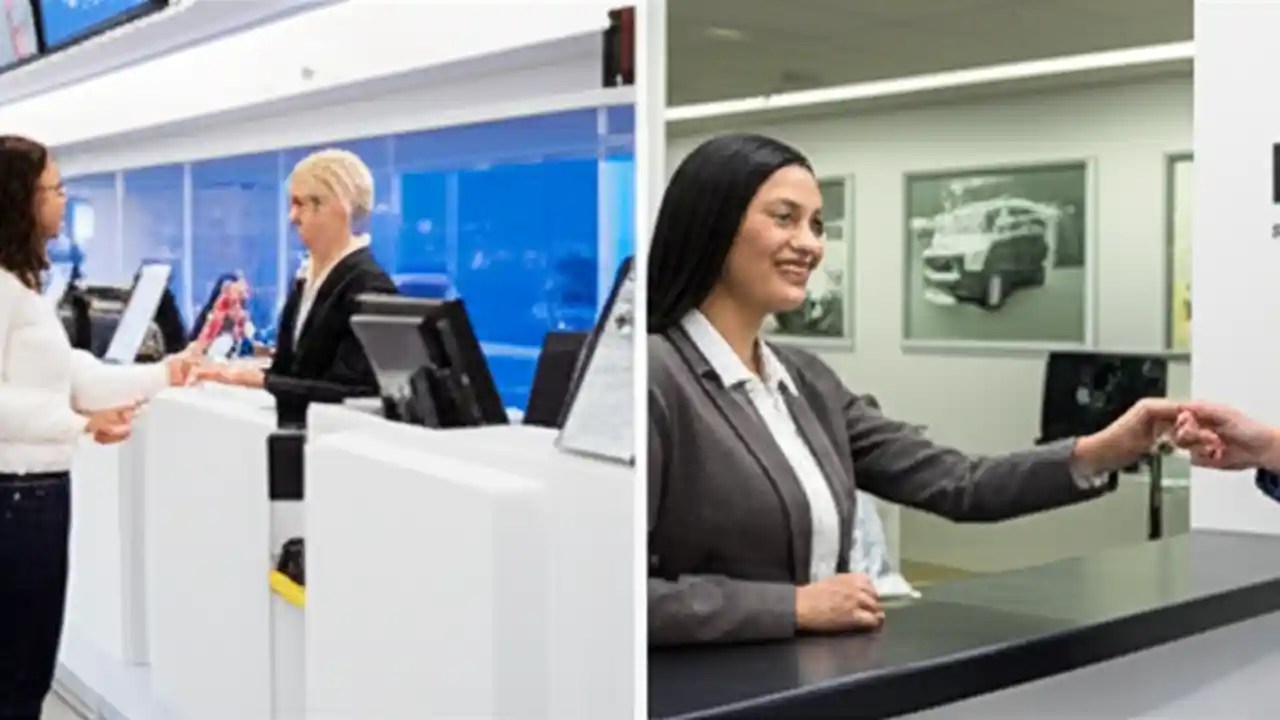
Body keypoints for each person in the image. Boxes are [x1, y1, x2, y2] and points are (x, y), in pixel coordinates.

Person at [647, 133, 1187, 647]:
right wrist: (791, 607)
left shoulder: (805, 380)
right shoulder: (655, 376)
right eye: (784, 219)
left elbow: (958, 483)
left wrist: (1104, 449)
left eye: (817, 224)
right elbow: (613, 590)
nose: (809, 244)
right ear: (712, 223)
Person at [0, 135, 198, 717]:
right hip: (14, 501)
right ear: (20, 198)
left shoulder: (20, 286)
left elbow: (71, 375)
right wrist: (77, 424)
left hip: (33, 498)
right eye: (55, 189)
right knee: (15, 676)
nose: (64, 201)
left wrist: (165, 374)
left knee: (25, 672)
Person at [193, 149, 396, 421]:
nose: (292, 217)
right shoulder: (306, 280)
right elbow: (289, 371)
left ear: (337, 206)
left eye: (301, 204)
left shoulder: (369, 286)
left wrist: (252, 378)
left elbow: (356, 393)